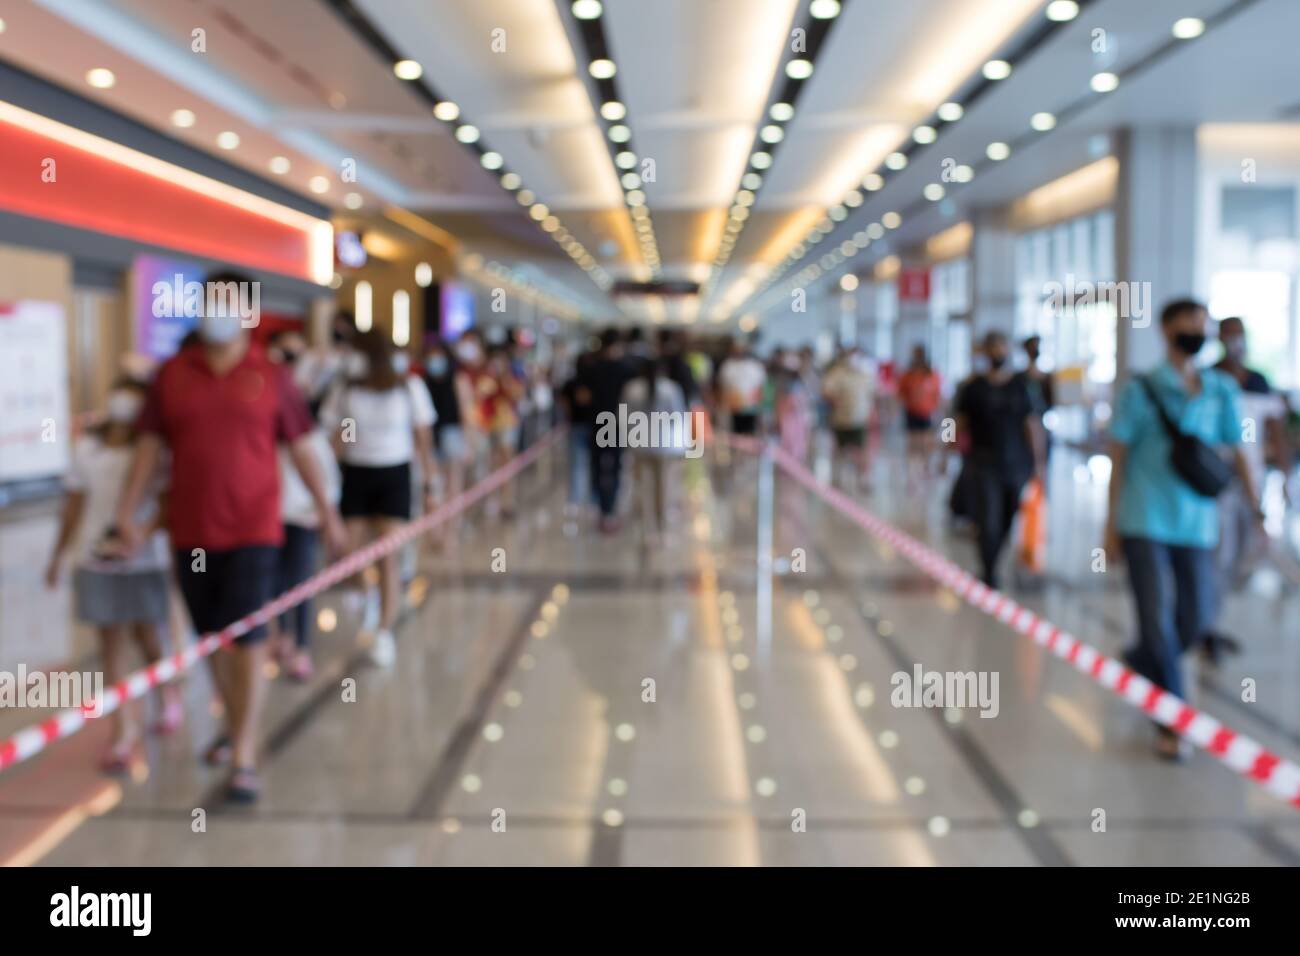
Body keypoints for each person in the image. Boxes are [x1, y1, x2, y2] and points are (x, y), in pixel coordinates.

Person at [114, 271, 347, 803]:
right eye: (209, 302)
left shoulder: (271, 377)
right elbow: (148, 450)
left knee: (249, 636)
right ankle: (234, 720)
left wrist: (328, 513)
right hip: (191, 531)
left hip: (254, 529)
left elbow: (303, 448)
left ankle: (243, 752)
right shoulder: (173, 376)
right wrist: (127, 514)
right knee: (212, 636)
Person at [1104, 299, 1263, 759]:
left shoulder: (1220, 389)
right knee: (1155, 619)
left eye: (1202, 326)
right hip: (1144, 517)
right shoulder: (1141, 388)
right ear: (1167, 329)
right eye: (1189, 324)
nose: (1198, 333)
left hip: (1197, 522)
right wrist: (1110, 525)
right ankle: (1173, 723)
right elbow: (1118, 456)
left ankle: (1142, 659)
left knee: (1194, 620)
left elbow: (1239, 450)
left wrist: (1256, 510)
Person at [44, 379, 183, 772]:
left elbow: (168, 503)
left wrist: (142, 534)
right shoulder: (88, 448)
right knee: (111, 645)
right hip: (95, 558)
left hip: (143, 560)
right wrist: (57, 556)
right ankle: (123, 727)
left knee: (148, 636)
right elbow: (73, 505)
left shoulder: (154, 450)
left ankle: (166, 695)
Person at [322, 329, 437, 668]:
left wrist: (431, 484)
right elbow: (337, 435)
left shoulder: (408, 388)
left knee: (388, 555)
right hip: (356, 473)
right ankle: (367, 594)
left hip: (394, 474)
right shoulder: (347, 390)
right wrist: (324, 487)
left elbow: (423, 437)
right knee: (350, 551)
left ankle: (384, 630)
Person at [267, 331, 339, 682]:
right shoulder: (265, 434)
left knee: (300, 582)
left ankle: (302, 645)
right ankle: (283, 635)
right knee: (277, 582)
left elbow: (326, 477)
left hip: (301, 519)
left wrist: (326, 515)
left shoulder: (310, 437)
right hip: (270, 519)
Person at [954, 331, 1045, 589]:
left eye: (1001, 347)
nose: (997, 353)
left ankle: (994, 557)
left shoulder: (1021, 386)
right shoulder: (973, 387)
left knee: (1007, 516)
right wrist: (946, 448)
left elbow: (1032, 425)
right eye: (992, 348)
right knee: (988, 518)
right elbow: (958, 421)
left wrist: (1039, 464)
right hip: (982, 462)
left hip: (1016, 464)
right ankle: (989, 568)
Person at [620, 355, 688, 541]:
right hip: (666, 446)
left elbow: (623, 417)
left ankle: (647, 529)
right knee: (664, 487)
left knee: (644, 488)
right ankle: (663, 528)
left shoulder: (632, 389)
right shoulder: (671, 389)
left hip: (640, 444)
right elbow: (679, 416)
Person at [420, 337, 475, 543]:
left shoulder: (458, 379)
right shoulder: (423, 381)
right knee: (433, 485)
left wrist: (468, 443)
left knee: (453, 486)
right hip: (431, 436)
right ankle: (435, 530)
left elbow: (465, 412)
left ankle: (451, 529)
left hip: (452, 434)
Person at [587, 328, 635, 533]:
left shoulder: (592, 368)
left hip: (596, 423)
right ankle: (611, 506)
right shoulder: (627, 369)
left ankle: (601, 506)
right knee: (615, 465)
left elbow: (584, 397)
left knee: (597, 465)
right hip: (617, 424)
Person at [822, 347, 876, 492]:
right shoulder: (836, 374)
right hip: (841, 419)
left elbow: (872, 394)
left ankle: (863, 479)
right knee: (840, 450)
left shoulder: (865, 374)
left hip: (860, 419)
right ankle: (838, 478)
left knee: (861, 450)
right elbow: (827, 392)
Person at [560, 349, 598, 522]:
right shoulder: (593, 381)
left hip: (579, 426)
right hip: (590, 427)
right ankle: (590, 500)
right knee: (588, 464)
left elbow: (564, 402)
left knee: (577, 465)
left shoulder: (572, 383)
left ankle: (577, 501)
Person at [897, 345, 943, 479]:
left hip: (927, 413)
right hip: (911, 412)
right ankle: (912, 470)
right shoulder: (908, 375)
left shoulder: (932, 374)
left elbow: (938, 394)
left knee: (926, 442)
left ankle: (925, 466)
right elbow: (901, 393)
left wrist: (939, 412)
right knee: (913, 442)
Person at [716, 337, 767, 436]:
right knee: (733, 434)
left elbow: (761, 387)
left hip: (751, 407)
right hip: (732, 407)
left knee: (749, 433)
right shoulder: (728, 365)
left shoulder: (754, 366)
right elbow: (722, 386)